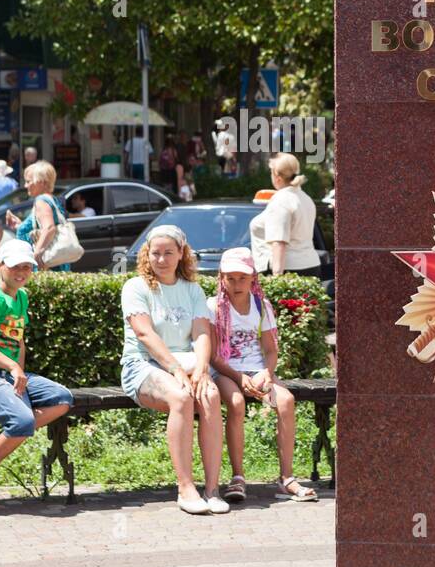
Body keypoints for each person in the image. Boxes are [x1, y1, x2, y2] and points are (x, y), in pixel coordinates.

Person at [0, 238, 72, 512]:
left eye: (27, 267)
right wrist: (13, 368)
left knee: (62, 398)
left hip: (6, 372)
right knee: (22, 422)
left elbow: (17, 341)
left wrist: (18, 372)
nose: (21, 272)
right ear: (0, 267)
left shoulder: (21, 297)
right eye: (15, 267)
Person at [120, 225, 228, 515]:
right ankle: (185, 487)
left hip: (187, 364)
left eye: (169, 252)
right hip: (142, 365)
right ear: (147, 254)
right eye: (155, 253)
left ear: (182, 253)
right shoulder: (135, 287)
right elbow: (145, 335)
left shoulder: (192, 289)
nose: (162, 259)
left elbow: (202, 334)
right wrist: (177, 370)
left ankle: (213, 489)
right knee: (181, 397)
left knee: (210, 395)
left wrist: (203, 370)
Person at [208, 247, 317, 502]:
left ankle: (286, 478)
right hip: (226, 371)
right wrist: (239, 378)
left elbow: (270, 349)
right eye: (231, 278)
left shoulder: (261, 305)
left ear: (253, 278)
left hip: (257, 371)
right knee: (235, 403)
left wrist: (267, 374)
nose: (237, 284)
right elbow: (213, 355)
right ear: (221, 278)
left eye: (243, 278)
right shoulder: (213, 306)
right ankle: (237, 477)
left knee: (286, 401)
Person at [249, 152, 321, 278]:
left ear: (277, 177)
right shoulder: (305, 198)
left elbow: (279, 242)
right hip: (311, 265)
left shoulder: (280, 200)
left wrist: (277, 278)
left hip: (287, 270)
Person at [5, 160, 70, 271]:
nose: (25, 186)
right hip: (54, 265)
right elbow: (42, 226)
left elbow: (49, 228)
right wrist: (20, 225)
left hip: (44, 266)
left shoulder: (42, 201)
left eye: (28, 181)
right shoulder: (51, 199)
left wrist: (36, 254)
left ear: (41, 182)